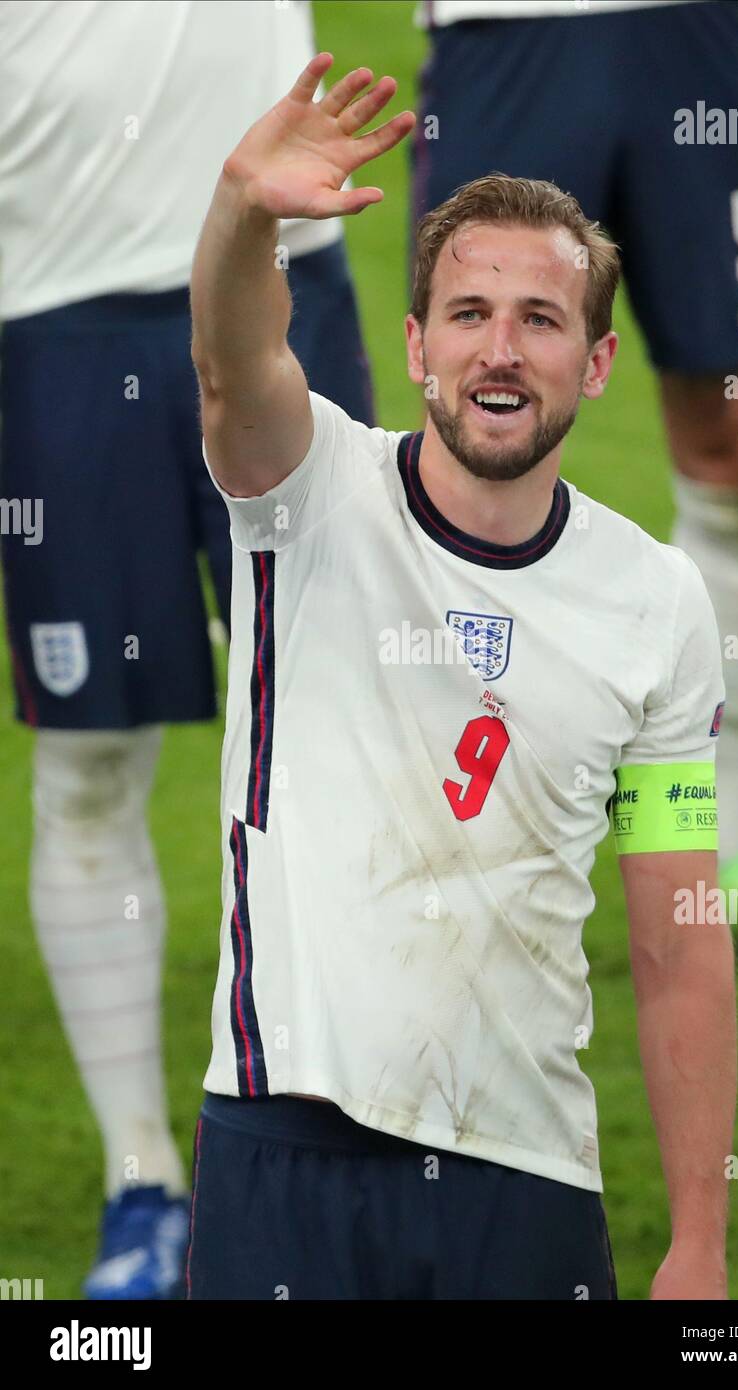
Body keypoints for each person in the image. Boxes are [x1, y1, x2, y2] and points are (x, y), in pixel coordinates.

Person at [186, 53, 735, 1300]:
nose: (502, 347)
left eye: (540, 319)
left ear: (593, 363)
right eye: (470, 313)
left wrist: (697, 1236)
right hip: (286, 1142)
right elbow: (231, 367)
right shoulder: (307, 490)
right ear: (416, 343)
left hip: (526, 1166)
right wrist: (242, 207)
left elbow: (678, 941)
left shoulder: (657, 601)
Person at [0, 0, 374, 1299]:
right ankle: (143, 1183)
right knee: (92, 764)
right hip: (53, 320)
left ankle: (355, 1134)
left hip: (284, 279)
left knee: (344, 736)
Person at [410, 0, 738, 963]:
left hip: (684, 39)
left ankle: (728, 853)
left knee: (736, 441)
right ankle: (467, 846)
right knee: (481, 442)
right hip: (505, 38)